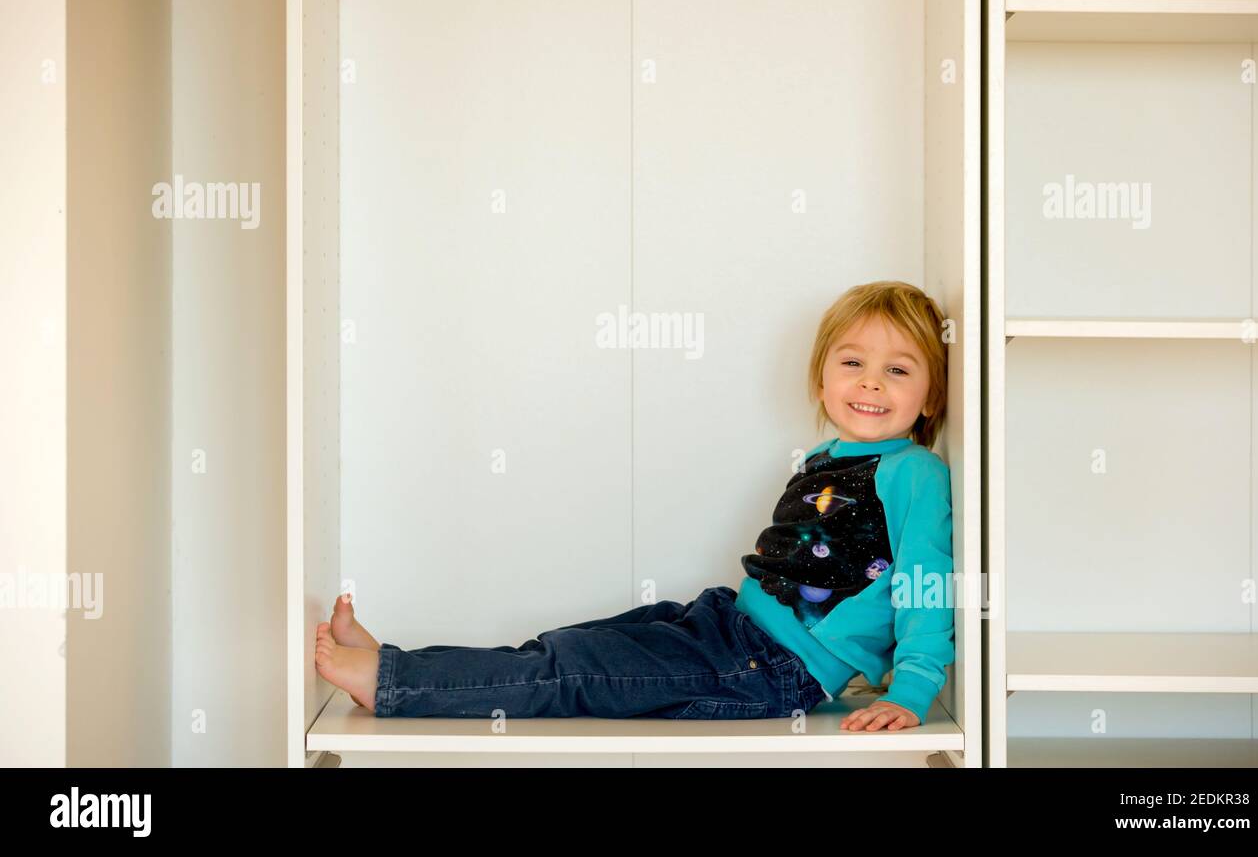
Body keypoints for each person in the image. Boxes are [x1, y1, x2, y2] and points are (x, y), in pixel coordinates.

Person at [315, 280, 955, 731]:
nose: (871, 381)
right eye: (853, 362)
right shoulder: (825, 460)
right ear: (823, 378)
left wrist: (914, 688)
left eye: (898, 370)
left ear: (930, 397)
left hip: (771, 670)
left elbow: (928, 582)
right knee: (567, 643)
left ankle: (391, 684)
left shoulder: (915, 473)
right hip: (728, 623)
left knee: (573, 671)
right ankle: (400, 673)